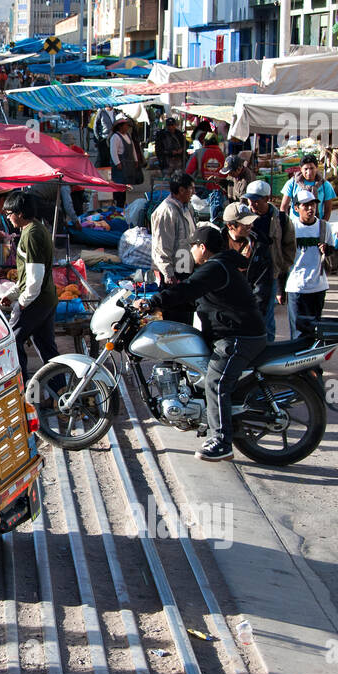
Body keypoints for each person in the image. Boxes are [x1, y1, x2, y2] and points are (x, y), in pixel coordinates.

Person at [137, 225, 267, 462]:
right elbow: (200, 299)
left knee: (216, 382)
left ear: (202, 248)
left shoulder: (215, 268)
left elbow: (187, 289)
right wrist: (161, 304)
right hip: (231, 333)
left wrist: (153, 301)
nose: (191, 251)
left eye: (193, 246)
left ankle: (222, 442)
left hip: (239, 337)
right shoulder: (220, 266)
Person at [3, 191, 58, 381]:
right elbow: (27, 275)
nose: (8, 218)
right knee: (47, 348)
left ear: (19, 213)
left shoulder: (32, 235)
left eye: (9, 213)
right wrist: (12, 294)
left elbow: (35, 277)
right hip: (47, 298)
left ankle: (24, 387)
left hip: (36, 300)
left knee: (11, 341)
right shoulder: (34, 229)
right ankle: (60, 390)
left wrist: (22, 303)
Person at [239, 182, 296, 340]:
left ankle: (267, 348)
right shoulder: (243, 217)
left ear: (267, 198)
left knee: (266, 315)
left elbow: (290, 247)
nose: (252, 204)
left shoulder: (281, 219)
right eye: (249, 200)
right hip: (245, 274)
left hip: (269, 275)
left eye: (256, 200)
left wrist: (278, 268)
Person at [150, 173, 198, 325]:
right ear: (182, 190)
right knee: (174, 318)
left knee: (186, 315)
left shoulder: (186, 208)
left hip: (185, 269)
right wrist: (168, 274)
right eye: (191, 189)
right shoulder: (167, 211)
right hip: (173, 273)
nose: (193, 193)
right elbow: (162, 247)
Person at [284, 190, 333, 336]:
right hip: (296, 287)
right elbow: (283, 259)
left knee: (315, 331)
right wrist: (280, 289)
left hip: (318, 286)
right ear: (296, 208)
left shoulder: (324, 227)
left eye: (313, 205)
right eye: (306, 206)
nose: (310, 209)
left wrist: (328, 250)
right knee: (297, 332)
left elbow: (334, 255)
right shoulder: (290, 228)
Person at [282, 153, 337, 220]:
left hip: (316, 223)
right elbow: (284, 207)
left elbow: (328, 210)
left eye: (312, 168)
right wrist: (285, 224)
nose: (309, 172)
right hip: (295, 224)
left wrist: (323, 225)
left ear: (316, 168)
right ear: (300, 169)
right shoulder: (292, 183)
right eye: (306, 169)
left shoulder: (325, 185)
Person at [109, 117, 140, 206]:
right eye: (126, 126)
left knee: (125, 186)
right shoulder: (115, 137)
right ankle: (118, 204)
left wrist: (135, 159)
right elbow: (113, 151)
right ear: (120, 127)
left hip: (128, 165)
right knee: (119, 186)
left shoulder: (128, 136)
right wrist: (117, 162)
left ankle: (122, 204)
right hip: (120, 165)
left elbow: (133, 149)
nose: (127, 128)